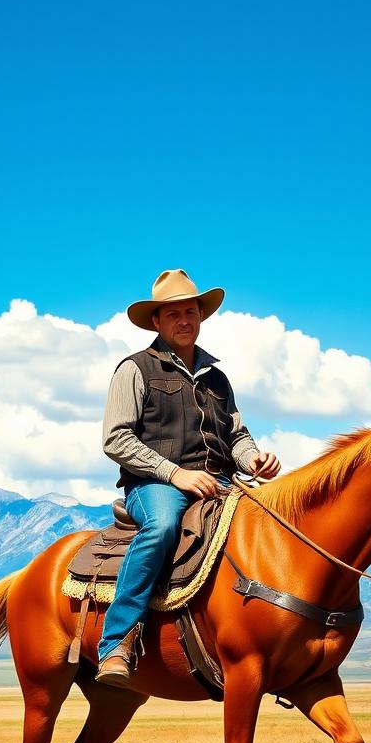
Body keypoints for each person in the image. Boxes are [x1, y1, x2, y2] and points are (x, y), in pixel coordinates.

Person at [96, 269, 281, 686]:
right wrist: (175, 473)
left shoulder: (217, 378)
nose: (184, 320)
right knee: (162, 527)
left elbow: (236, 435)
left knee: (272, 523)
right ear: (156, 321)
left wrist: (253, 460)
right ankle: (116, 642)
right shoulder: (135, 369)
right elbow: (115, 439)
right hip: (155, 485)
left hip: (220, 484)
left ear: (201, 317)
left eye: (191, 312)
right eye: (173, 314)